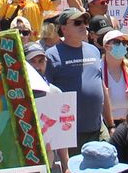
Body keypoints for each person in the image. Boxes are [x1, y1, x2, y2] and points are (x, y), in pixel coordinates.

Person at [46, 9, 107, 147]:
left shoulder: (94, 50)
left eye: (85, 22)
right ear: (63, 28)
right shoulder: (51, 56)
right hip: (70, 134)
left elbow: (101, 86)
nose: (83, 26)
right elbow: (47, 96)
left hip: (98, 128)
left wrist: (111, 123)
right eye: (77, 22)